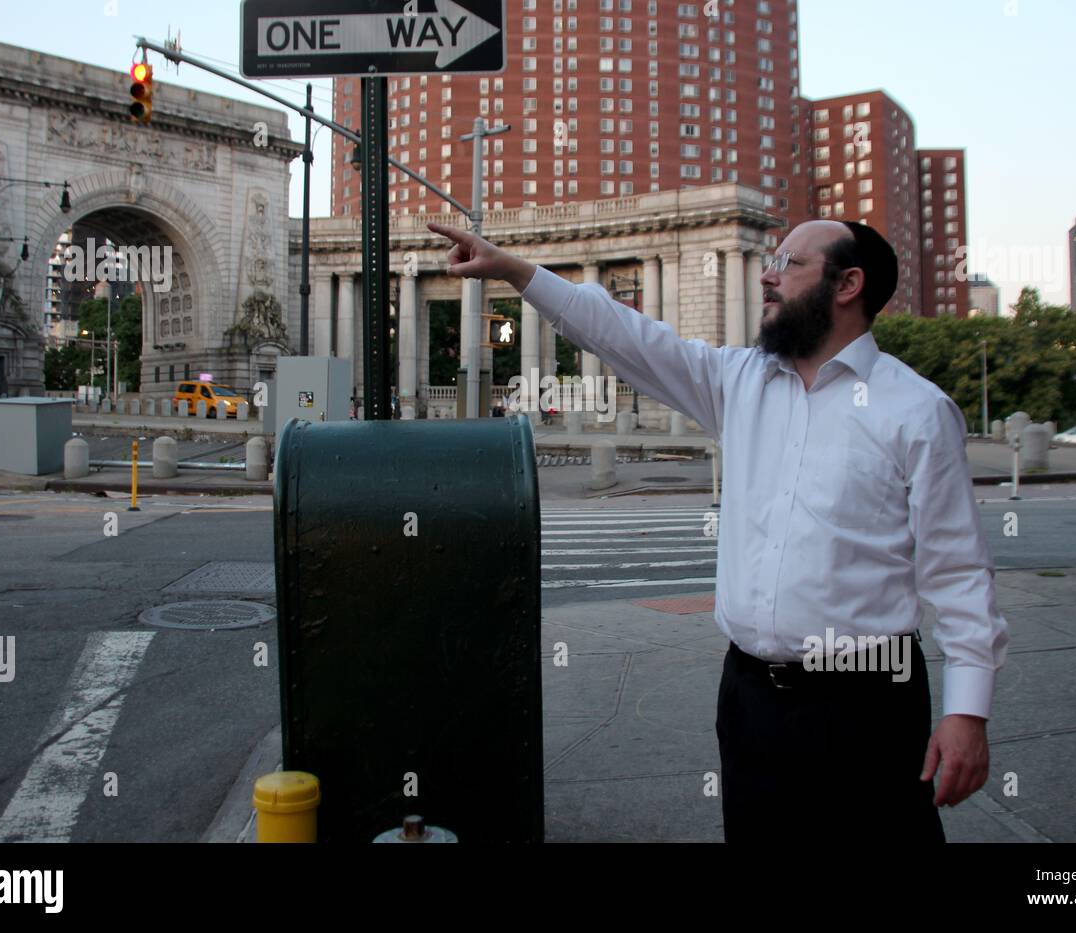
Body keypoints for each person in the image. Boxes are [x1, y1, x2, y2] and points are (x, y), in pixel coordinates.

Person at [428, 218, 1009, 843]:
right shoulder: (741, 382)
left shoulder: (917, 411)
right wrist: (516, 270)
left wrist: (967, 713)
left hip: (868, 702)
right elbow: (625, 335)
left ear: (848, 284)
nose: (767, 272)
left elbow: (957, 571)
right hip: (750, 696)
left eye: (789, 262)